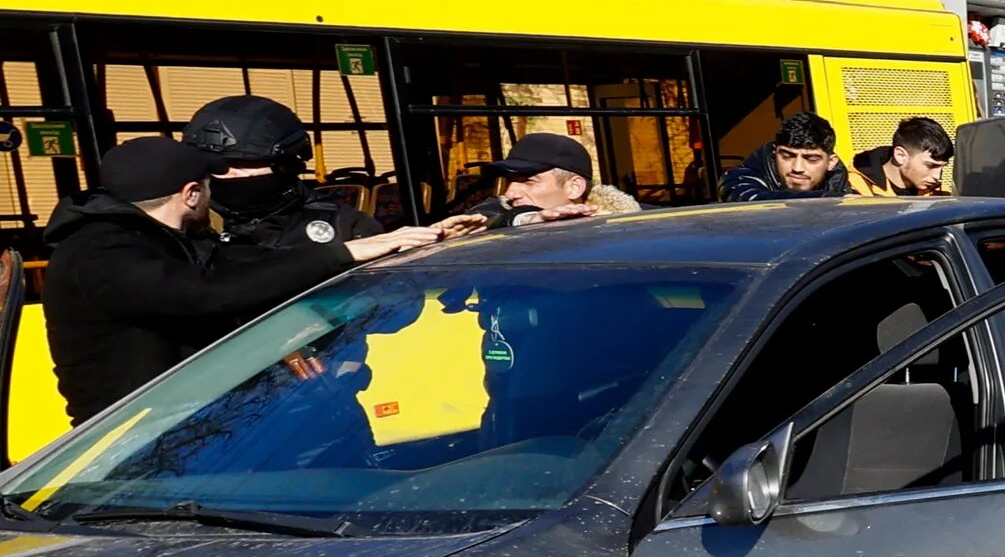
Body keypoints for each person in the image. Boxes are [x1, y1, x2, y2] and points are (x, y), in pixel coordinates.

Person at [40, 136, 438, 421]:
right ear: (192, 193)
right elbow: (208, 294)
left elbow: (246, 275)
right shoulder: (101, 251)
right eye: (211, 186)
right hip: (131, 441)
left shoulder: (162, 240)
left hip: (190, 426)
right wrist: (345, 251)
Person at [182, 95, 378, 252]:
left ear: (286, 166)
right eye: (216, 166)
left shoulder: (345, 227)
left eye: (243, 163)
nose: (228, 173)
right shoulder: (182, 227)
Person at [444, 132, 640, 232]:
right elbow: (482, 217)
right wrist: (526, 218)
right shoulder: (499, 213)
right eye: (510, 181)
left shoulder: (643, 224)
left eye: (528, 181)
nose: (511, 193)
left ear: (574, 187)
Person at [720, 111, 862, 201]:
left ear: (831, 162)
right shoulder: (740, 179)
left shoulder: (840, 185)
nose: (797, 168)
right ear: (774, 153)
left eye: (811, 159)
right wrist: (829, 200)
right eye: (787, 156)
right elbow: (751, 202)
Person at [854, 116, 954, 196]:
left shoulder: (940, 193)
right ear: (900, 155)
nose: (937, 176)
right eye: (930, 165)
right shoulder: (853, 189)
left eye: (942, 167)